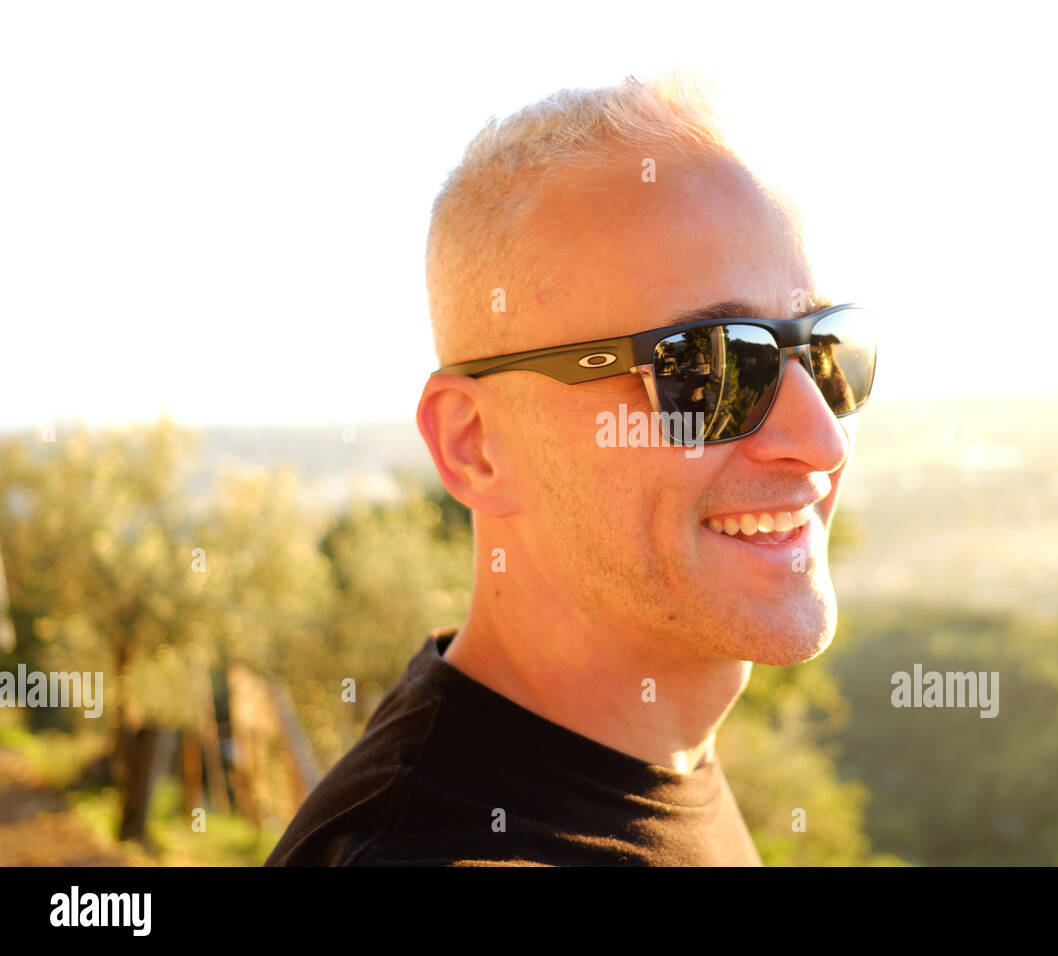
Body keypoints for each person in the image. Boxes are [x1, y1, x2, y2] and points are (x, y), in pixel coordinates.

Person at [265, 71, 873, 866]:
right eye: (708, 369)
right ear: (474, 445)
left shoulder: (646, 759)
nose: (822, 440)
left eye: (824, 351)